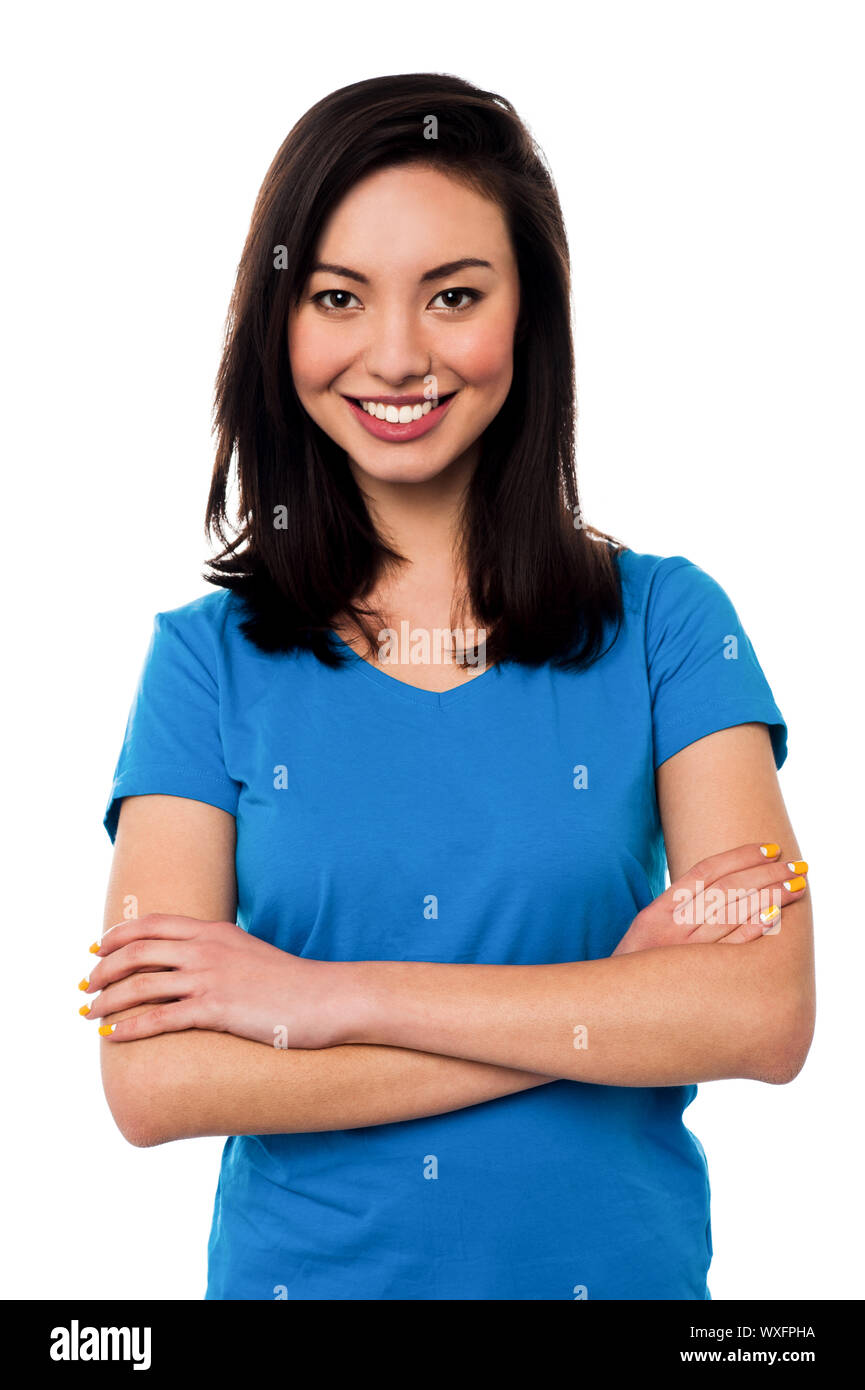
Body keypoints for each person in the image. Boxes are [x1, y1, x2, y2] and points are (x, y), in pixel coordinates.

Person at [90, 73, 815, 1301]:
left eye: (454, 296)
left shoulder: (669, 625)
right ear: (282, 325)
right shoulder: (203, 661)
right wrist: (608, 1012)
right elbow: (157, 1081)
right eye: (337, 297)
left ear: (529, 313)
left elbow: (762, 1011)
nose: (396, 354)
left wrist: (320, 1001)